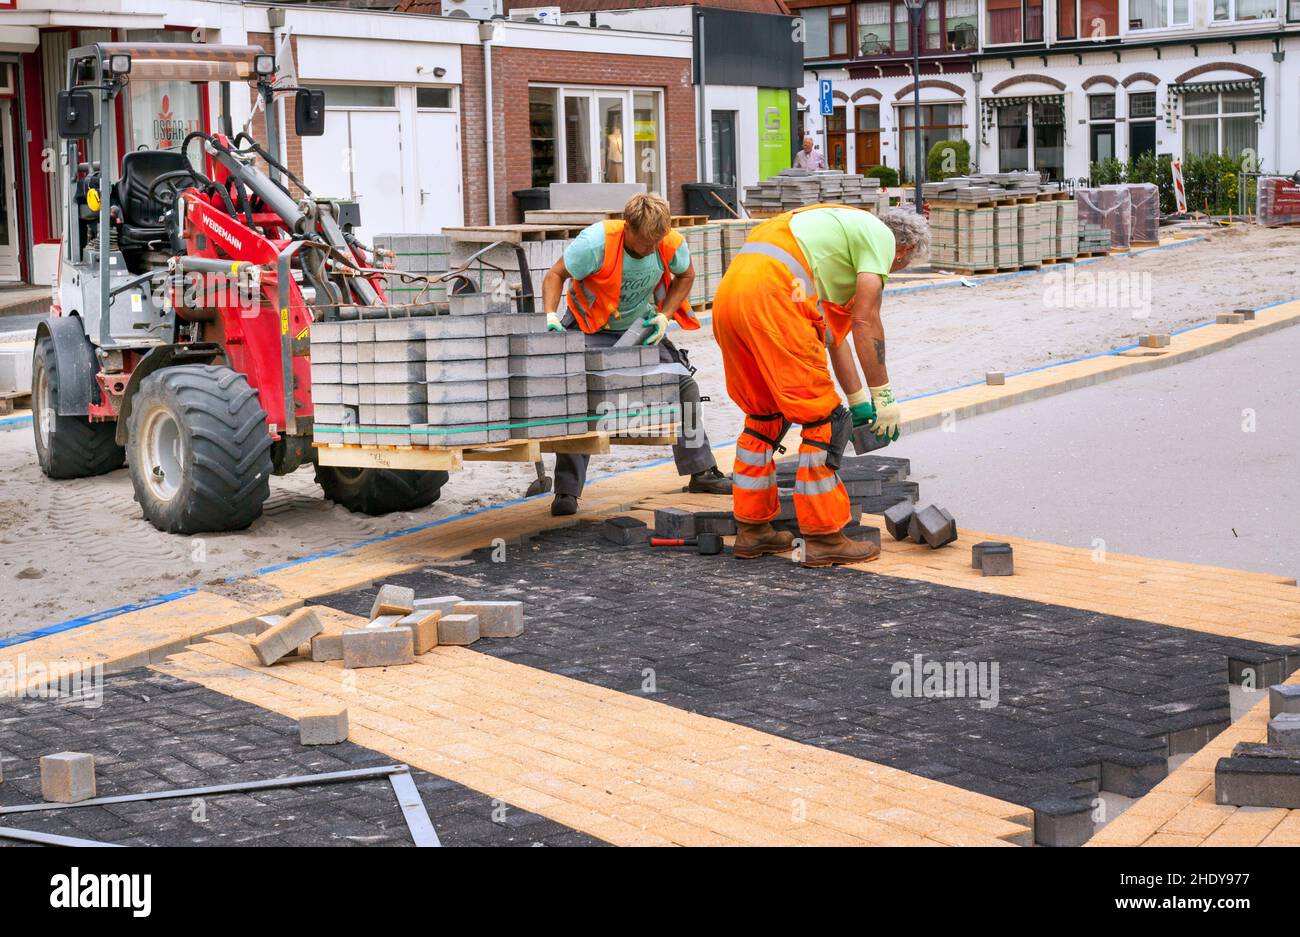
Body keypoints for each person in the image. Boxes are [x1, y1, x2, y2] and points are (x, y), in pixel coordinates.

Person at [711, 204, 930, 567]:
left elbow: (834, 338)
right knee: (824, 422)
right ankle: (824, 537)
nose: (893, 271)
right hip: (775, 297)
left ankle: (753, 530)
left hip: (732, 297)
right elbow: (865, 321)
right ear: (903, 250)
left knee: (764, 416)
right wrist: (884, 396)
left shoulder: (829, 244)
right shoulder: (880, 239)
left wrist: (859, 400)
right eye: (900, 266)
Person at [541, 193, 732, 516]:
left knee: (683, 385)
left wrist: (665, 315)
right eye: (644, 242)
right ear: (627, 226)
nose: (649, 249)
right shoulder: (595, 243)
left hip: (638, 328)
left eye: (655, 242)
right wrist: (549, 315)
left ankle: (701, 471)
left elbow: (686, 276)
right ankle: (567, 491)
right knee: (578, 394)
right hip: (590, 327)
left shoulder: (668, 242)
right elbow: (555, 274)